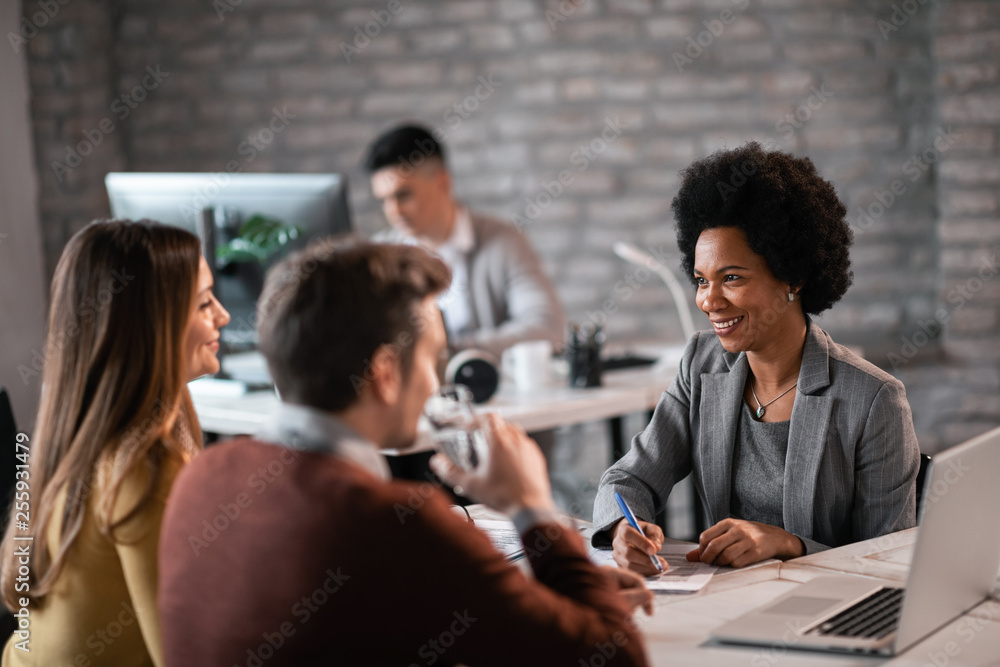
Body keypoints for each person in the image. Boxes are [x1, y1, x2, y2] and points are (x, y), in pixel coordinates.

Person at [157, 239, 651, 666]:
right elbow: (617, 658)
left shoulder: (201, 478)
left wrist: (564, 599)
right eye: (432, 359)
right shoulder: (391, 524)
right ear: (386, 372)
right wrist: (532, 506)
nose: (436, 383)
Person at [593, 142, 920, 572]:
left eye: (731, 278)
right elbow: (628, 478)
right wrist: (624, 527)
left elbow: (890, 561)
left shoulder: (874, 399)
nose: (709, 301)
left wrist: (790, 545)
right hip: (724, 601)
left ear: (794, 278)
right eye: (700, 280)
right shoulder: (702, 365)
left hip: (823, 612)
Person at [0, 220, 230, 666]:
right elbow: (186, 656)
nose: (221, 315)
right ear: (153, 325)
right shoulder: (143, 467)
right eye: (204, 302)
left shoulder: (71, 440)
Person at [366, 124, 566, 359]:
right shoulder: (381, 255)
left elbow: (548, 328)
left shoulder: (503, 242)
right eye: (384, 200)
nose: (393, 211)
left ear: (442, 183)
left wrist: (451, 351)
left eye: (404, 195)